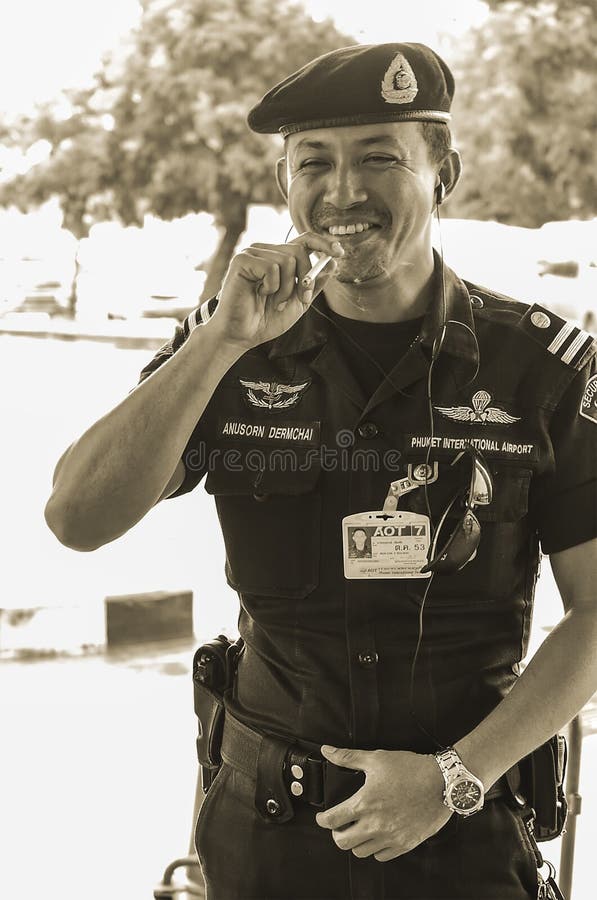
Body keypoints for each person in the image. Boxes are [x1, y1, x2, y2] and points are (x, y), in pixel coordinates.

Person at [45, 42, 597, 900]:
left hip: (465, 833)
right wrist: (219, 343)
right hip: (264, 833)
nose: (343, 192)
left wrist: (454, 778)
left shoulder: (541, 367)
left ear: (442, 173)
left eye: (380, 157)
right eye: (315, 163)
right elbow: (77, 518)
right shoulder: (228, 343)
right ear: (283, 184)